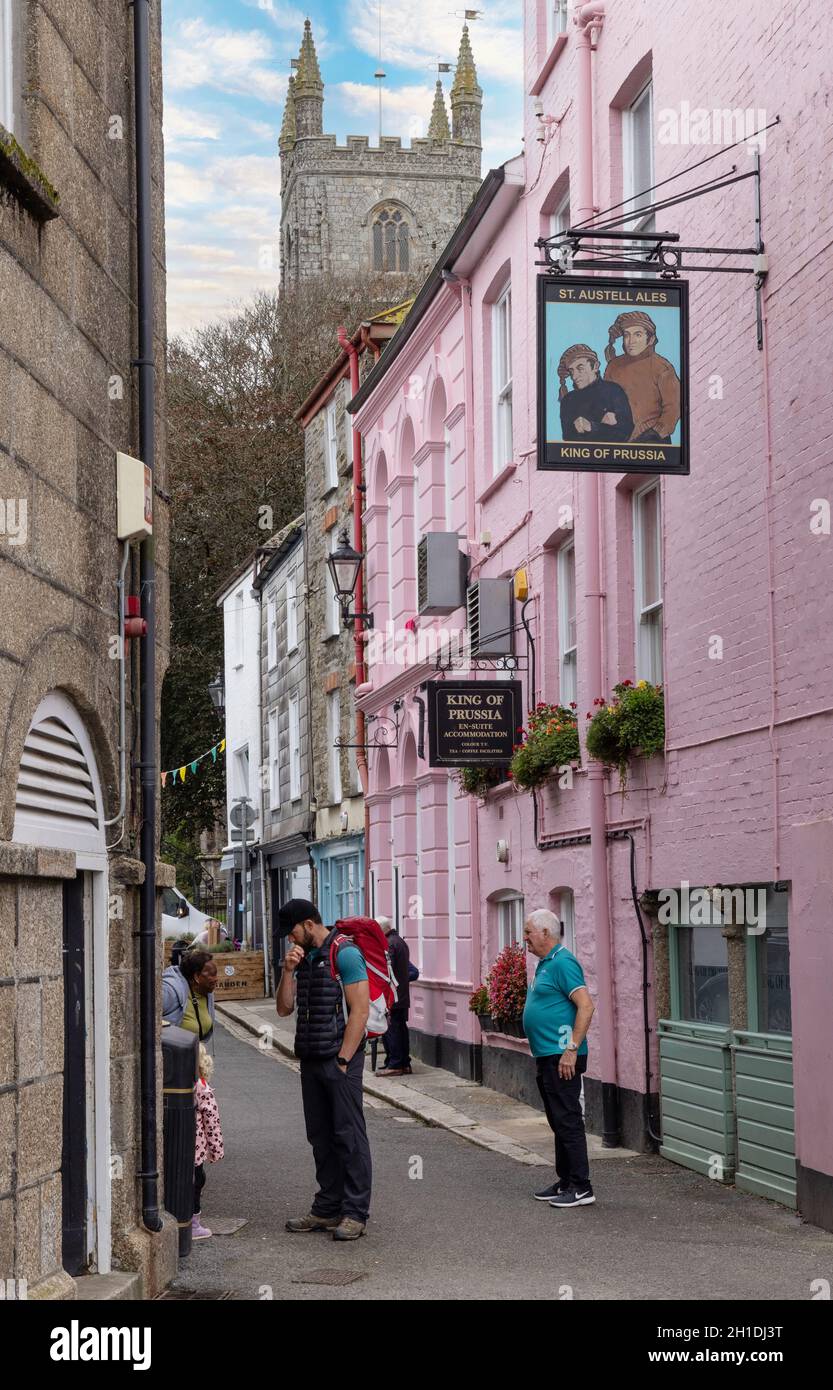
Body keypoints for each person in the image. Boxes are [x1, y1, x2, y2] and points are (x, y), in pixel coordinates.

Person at [276, 898, 372, 1241]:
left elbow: (361, 1009)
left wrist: (344, 1059)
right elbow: (284, 1009)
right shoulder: (302, 959)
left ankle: (355, 1212)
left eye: (292, 932)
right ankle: (328, 1208)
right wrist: (287, 971)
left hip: (340, 1059)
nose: (290, 939)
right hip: (311, 1058)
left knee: (348, 1135)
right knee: (320, 1135)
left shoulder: (344, 953)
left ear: (308, 924)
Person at [522, 909, 596, 1209]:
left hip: (562, 1056)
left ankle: (581, 1186)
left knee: (568, 1119)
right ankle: (565, 1181)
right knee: (557, 1119)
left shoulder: (564, 962)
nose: (525, 938)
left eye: (528, 932)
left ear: (545, 933)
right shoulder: (545, 964)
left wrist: (571, 1048)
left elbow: (586, 1006)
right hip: (547, 1055)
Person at [603, 311, 681, 443]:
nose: (631, 341)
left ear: (650, 339)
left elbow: (673, 408)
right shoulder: (614, 366)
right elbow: (604, 399)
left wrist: (655, 433)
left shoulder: (662, 368)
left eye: (637, 335)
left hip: (653, 440)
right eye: (626, 335)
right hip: (618, 439)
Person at [557, 343, 634, 443]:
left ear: (595, 366)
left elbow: (625, 433)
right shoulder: (567, 401)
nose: (574, 376)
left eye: (580, 368)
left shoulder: (613, 391)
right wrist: (605, 426)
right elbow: (569, 439)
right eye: (571, 372)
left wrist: (591, 426)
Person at [192, 1043, 224, 1241]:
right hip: (197, 1152)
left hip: (178, 1150)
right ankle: (193, 1224)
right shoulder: (203, 1087)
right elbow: (211, 1122)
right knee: (197, 1182)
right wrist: (216, 1151)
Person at [376, 916, 412, 1077]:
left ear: (382, 929)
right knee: (400, 1029)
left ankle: (395, 1064)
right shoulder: (399, 941)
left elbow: (386, 970)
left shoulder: (389, 944)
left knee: (392, 1030)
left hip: (393, 995)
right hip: (401, 994)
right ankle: (404, 1063)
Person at [162, 949, 218, 1045]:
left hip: (192, 1054)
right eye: (212, 975)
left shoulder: (206, 990)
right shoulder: (170, 991)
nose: (216, 979)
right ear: (196, 976)